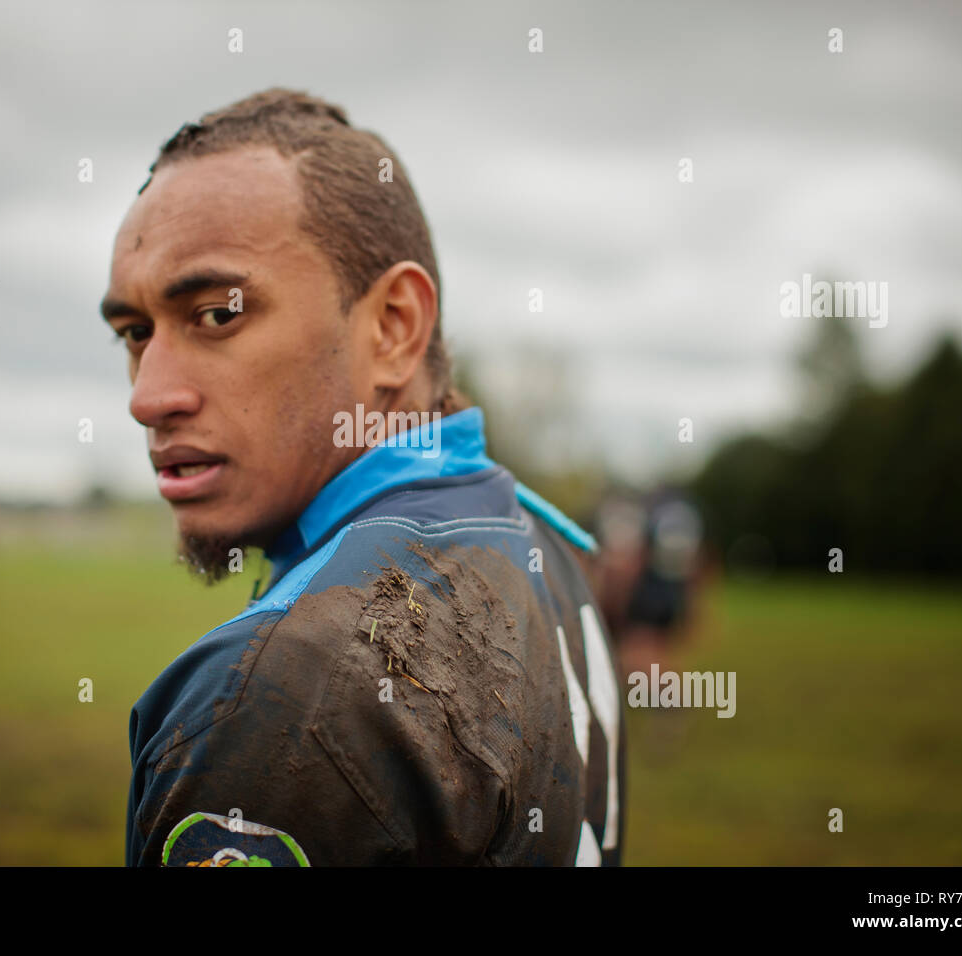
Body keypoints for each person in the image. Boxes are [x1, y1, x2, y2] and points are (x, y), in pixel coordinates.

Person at [102, 88, 625, 866]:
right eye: (136, 333)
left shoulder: (291, 691)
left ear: (392, 328)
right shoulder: (539, 536)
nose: (149, 397)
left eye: (217, 315)